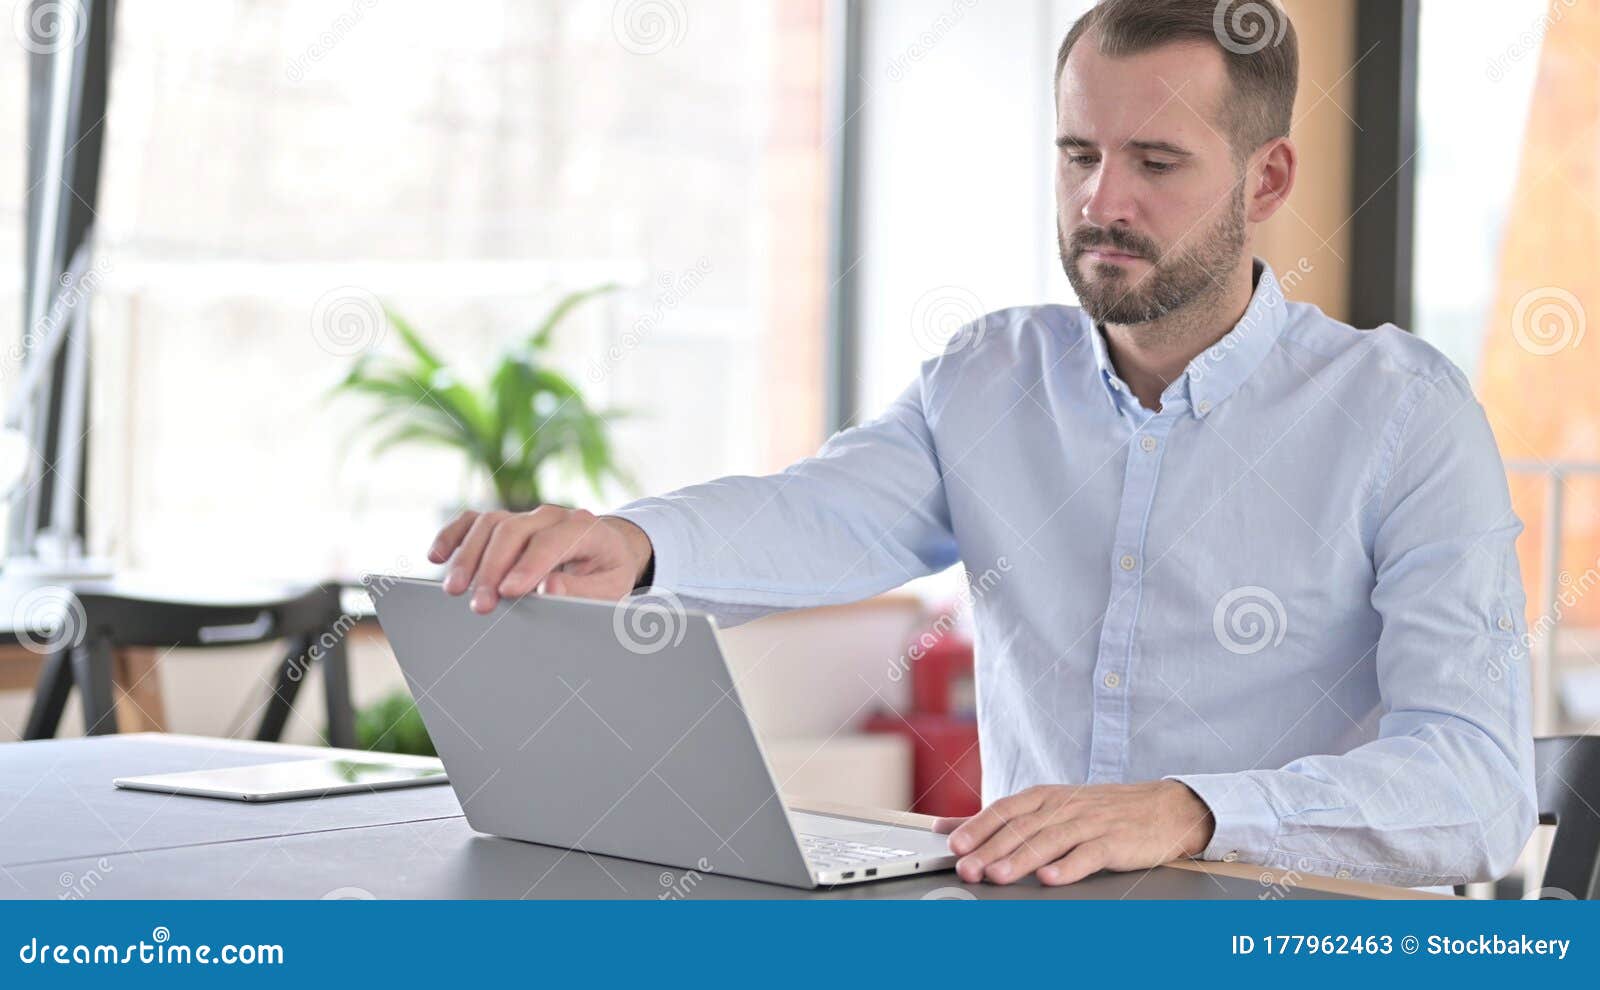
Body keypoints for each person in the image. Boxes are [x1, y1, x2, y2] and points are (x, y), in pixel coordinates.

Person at [428, 0, 1535, 890]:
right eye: (1078, 154)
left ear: (1269, 180)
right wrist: (633, 544)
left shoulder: (1404, 417)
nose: (1101, 201)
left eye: (1156, 163)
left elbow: (1478, 789)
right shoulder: (990, 376)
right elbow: (823, 510)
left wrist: (1192, 810)